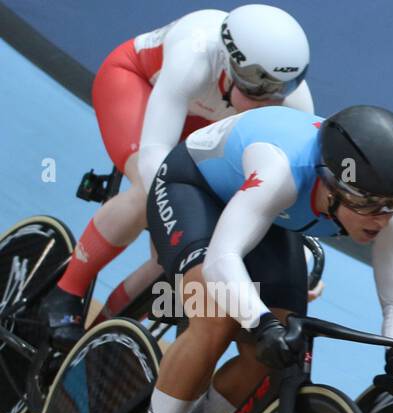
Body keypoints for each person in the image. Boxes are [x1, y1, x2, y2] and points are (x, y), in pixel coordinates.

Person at [122, 104, 393, 413]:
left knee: (278, 354)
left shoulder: (391, 213)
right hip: (194, 187)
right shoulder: (282, 172)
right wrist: (260, 322)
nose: (381, 218)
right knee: (215, 319)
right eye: (368, 204)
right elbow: (221, 259)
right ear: (330, 186)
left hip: (265, 216)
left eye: (391, 205)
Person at [38, 5, 313, 347]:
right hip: (137, 84)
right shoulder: (195, 56)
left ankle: (99, 338)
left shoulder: (295, 104)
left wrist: (297, 261)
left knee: (179, 254)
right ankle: (66, 292)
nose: (267, 102)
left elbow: (294, 191)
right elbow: (155, 154)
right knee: (148, 192)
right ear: (229, 63)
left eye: (278, 90)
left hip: (207, 126)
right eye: (257, 90)